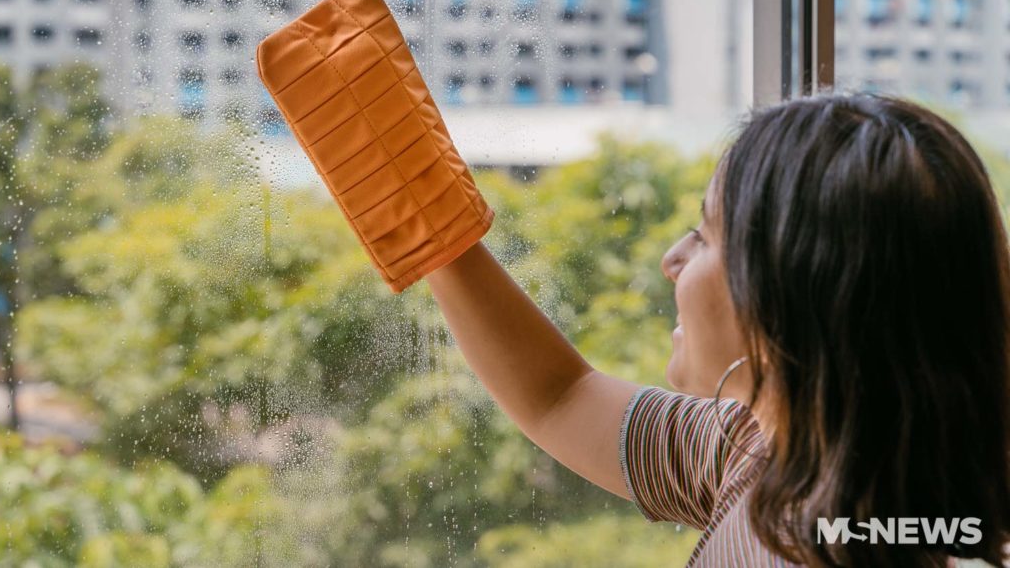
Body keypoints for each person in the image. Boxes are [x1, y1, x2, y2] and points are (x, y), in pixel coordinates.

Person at [423, 93, 1010, 567]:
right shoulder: (775, 451)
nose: (673, 259)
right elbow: (559, 396)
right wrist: (417, 205)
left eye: (704, 236)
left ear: (782, 304)